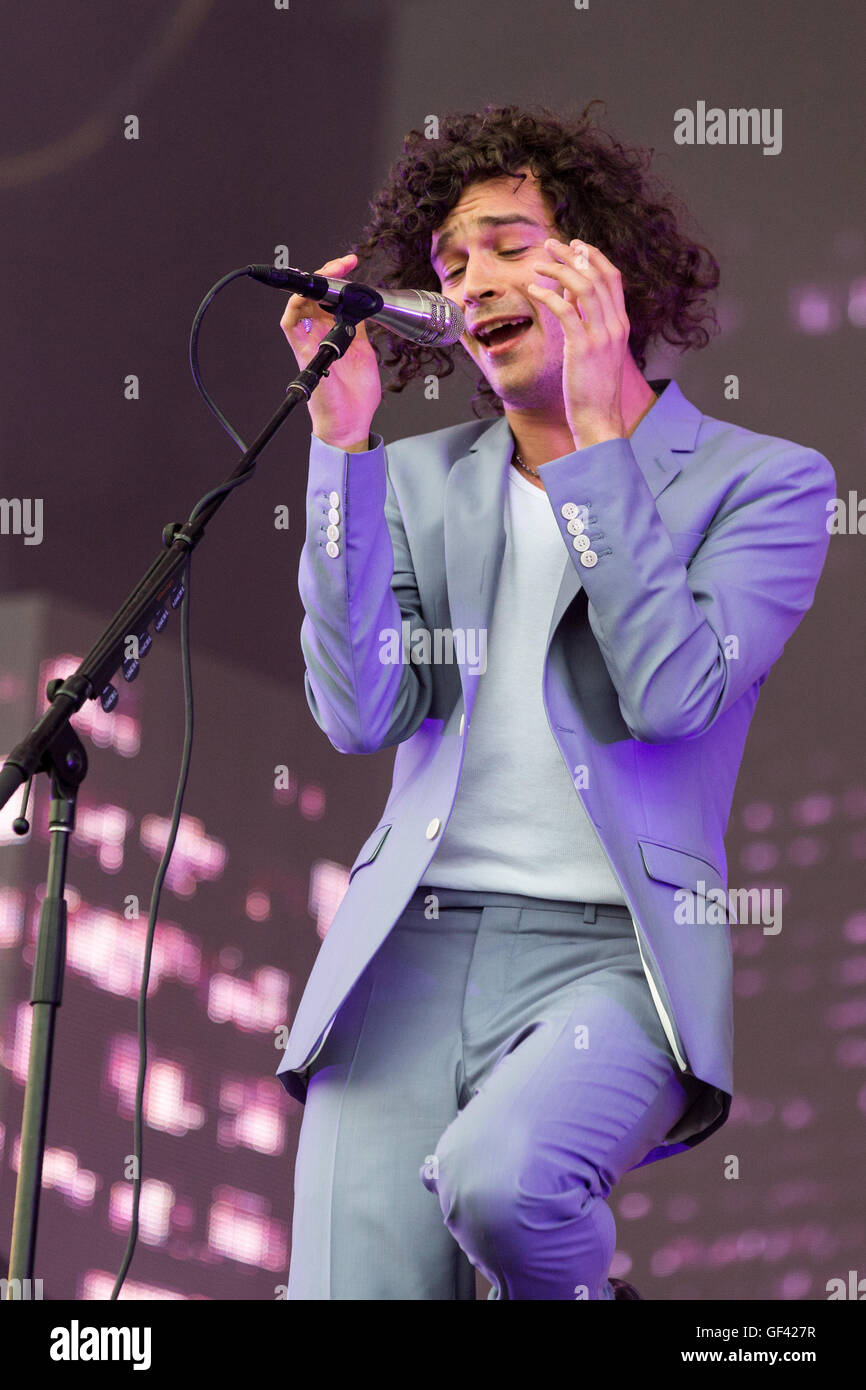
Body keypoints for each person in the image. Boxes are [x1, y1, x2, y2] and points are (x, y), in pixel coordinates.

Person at [275, 103, 835, 1300]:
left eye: (506, 241)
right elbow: (360, 713)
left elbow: (672, 691)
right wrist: (342, 447)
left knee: (503, 1180)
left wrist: (590, 438)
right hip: (404, 958)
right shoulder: (417, 481)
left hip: (612, 961)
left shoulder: (767, 484)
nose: (471, 281)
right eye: (447, 266)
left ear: (602, 266)